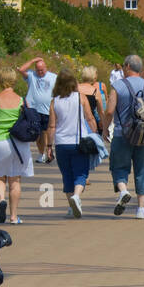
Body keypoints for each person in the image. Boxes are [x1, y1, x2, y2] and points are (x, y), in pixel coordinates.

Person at [105, 55, 144, 219]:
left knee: (118, 166)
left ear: (127, 66)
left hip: (122, 133)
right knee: (143, 169)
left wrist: (105, 129)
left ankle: (124, 191)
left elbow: (110, 111)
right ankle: (141, 209)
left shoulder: (118, 86)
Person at [46, 70, 100, 219]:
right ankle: (76, 196)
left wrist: (49, 147)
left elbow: (51, 126)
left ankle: (71, 206)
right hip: (79, 142)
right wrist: (95, 134)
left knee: (67, 175)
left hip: (61, 144)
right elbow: (89, 118)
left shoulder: (54, 101)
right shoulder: (80, 97)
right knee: (81, 173)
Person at [0, 68, 31, 224]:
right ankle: (14, 216)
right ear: (14, 80)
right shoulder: (21, 100)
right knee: (15, 179)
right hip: (18, 142)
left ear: (0, 80)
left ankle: (1, 199)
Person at [18, 56, 57, 163]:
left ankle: (48, 151)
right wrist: (33, 60)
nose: (40, 72)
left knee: (46, 132)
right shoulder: (31, 75)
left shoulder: (53, 77)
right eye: (38, 70)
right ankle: (41, 153)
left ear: (46, 68)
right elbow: (21, 70)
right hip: (33, 109)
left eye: (42, 70)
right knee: (37, 134)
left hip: (47, 109)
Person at [77, 65, 105, 138]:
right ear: (94, 77)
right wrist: (103, 123)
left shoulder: (76, 88)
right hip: (90, 120)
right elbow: (101, 111)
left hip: (76, 120)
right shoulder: (95, 91)